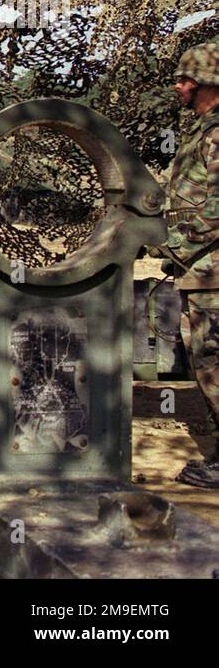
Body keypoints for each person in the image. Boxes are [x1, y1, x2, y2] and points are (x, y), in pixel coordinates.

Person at [152, 41, 219, 488]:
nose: (178, 87)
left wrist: (171, 241)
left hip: (212, 269)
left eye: (185, 81)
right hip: (202, 268)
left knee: (214, 358)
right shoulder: (203, 129)